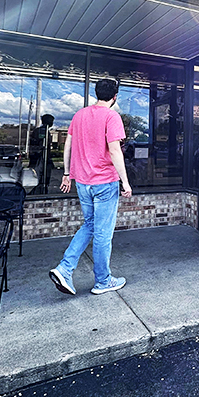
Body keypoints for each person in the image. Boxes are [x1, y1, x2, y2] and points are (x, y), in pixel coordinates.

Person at [49, 78, 132, 296]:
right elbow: (115, 151)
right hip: (104, 182)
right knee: (103, 233)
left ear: (96, 93)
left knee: (90, 225)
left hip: (83, 183)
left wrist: (66, 174)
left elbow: (67, 145)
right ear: (115, 97)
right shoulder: (112, 116)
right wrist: (125, 181)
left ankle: (64, 268)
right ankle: (103, 281)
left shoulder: (79, 115)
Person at [29, 114, 55, 193]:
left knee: (43, 178)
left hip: (42, 159)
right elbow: (37, 146)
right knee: (39, 178)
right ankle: (39, 193)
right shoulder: (41, 131)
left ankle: (42, 191)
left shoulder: (43, 131)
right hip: (40, 159)